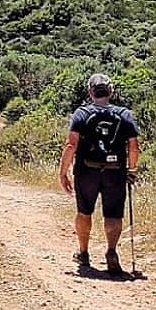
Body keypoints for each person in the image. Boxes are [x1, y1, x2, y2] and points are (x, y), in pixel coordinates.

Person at [58, 73, 141, 275]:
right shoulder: (124, 114)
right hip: (115, 172)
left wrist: (63, 172)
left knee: (84, 211)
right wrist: (131, 169)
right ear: (111, 92)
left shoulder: (81, 114)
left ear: (90, 92)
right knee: (113, 214)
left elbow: (71, 144)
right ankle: (111, 251)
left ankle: (84, 252)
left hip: (86, 171)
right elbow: (133, 146)